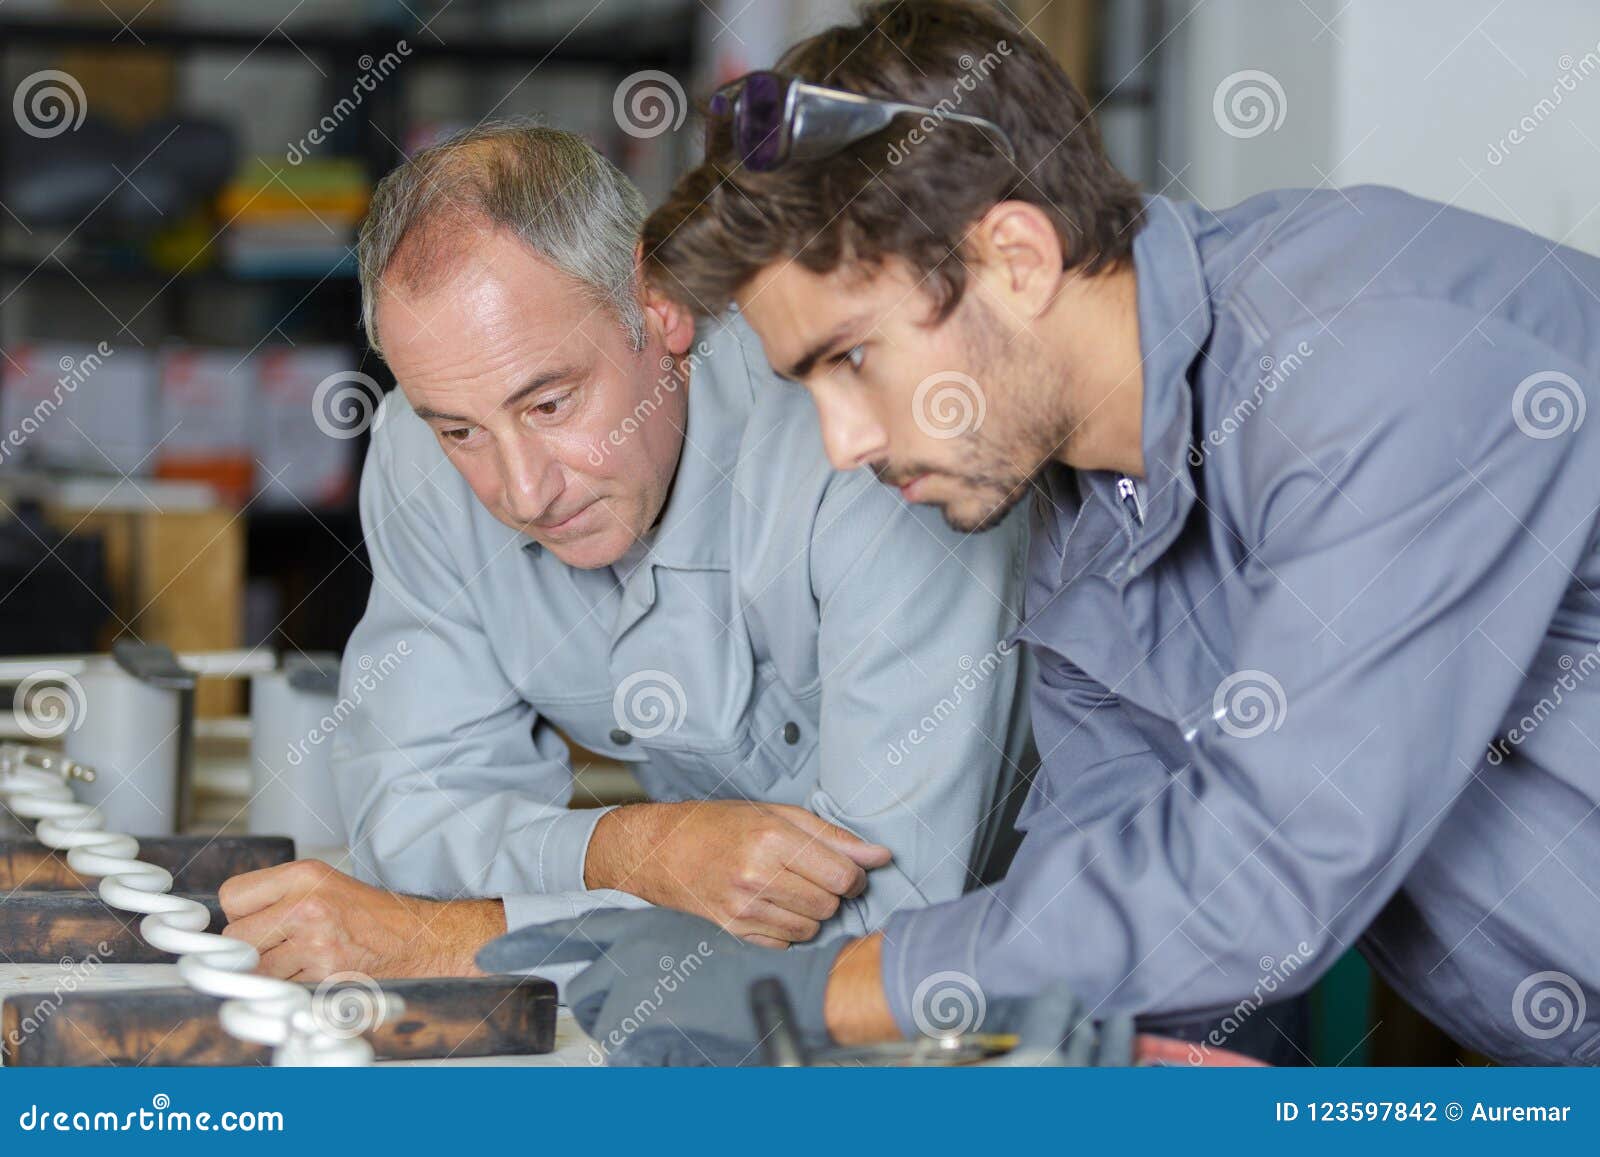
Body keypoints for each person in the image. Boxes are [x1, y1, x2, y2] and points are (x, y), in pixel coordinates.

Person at [481, 0, 1600, 1066]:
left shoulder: (1370, 365)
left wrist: (809, 996)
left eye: (852, 358)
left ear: (1015, 257)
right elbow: (1109, 934)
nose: (842, 442)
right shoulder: (1085, 541)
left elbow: (1270, 869)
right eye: (805, 383)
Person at [215, 121, 1034, 984]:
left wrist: (446, 943)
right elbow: (412, 822)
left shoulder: (863, 441)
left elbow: (886, 928)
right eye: (461, 429)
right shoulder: (422, 460)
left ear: (660, 308)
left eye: (550, 406)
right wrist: (628, 847)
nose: (523, 492)